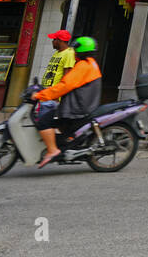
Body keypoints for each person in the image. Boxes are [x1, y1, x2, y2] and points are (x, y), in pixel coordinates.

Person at [33, 36, 102, 168]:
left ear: (81, 51)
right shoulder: (91, 63)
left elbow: (65, 85)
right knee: (58, 125)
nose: (74, 52)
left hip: (76, 108)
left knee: (43, 121)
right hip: (83, 106)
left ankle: (53, 150)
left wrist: (41, 95)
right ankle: (63, 146)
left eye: (76, 50)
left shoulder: (83, 66)